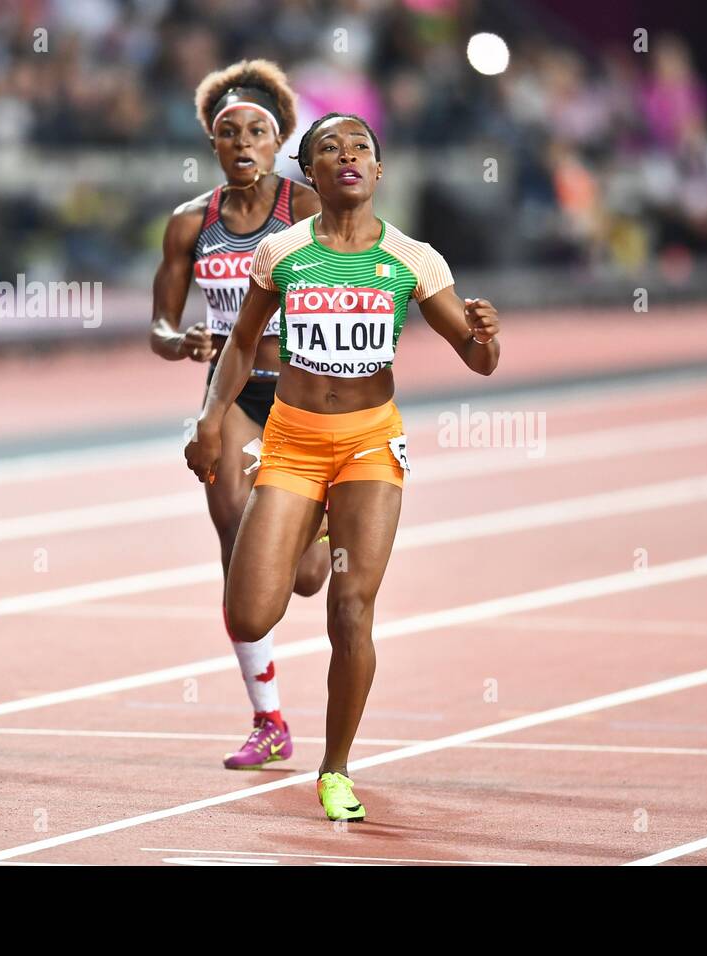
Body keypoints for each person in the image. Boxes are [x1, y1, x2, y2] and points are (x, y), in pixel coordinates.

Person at [186, 112, 501, 820]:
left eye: (362, 146)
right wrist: (211, 421)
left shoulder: (413, 258)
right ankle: (321, 536)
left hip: (368, 446)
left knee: (350, 612)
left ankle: (335, 769)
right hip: (294, 443)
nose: (348, 154)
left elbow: (475, 359)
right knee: (250, 611)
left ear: (379, 171)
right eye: (329, 148)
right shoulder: (281, 252)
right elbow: (239, 347)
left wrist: (486, 338)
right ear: (311, 173)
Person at [150, 60, 330, 770]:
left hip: (305, 394)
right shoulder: (190, 223)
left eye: (257, 129)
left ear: (279, 137)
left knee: (305, 577)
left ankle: (315, 523)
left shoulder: (308, 211)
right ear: (214, 143)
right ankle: (269, 718)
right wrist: (183, 340)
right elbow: (159, 328)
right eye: (229, 132)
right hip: (228, 395)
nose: (243, 141)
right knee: (238, 557)